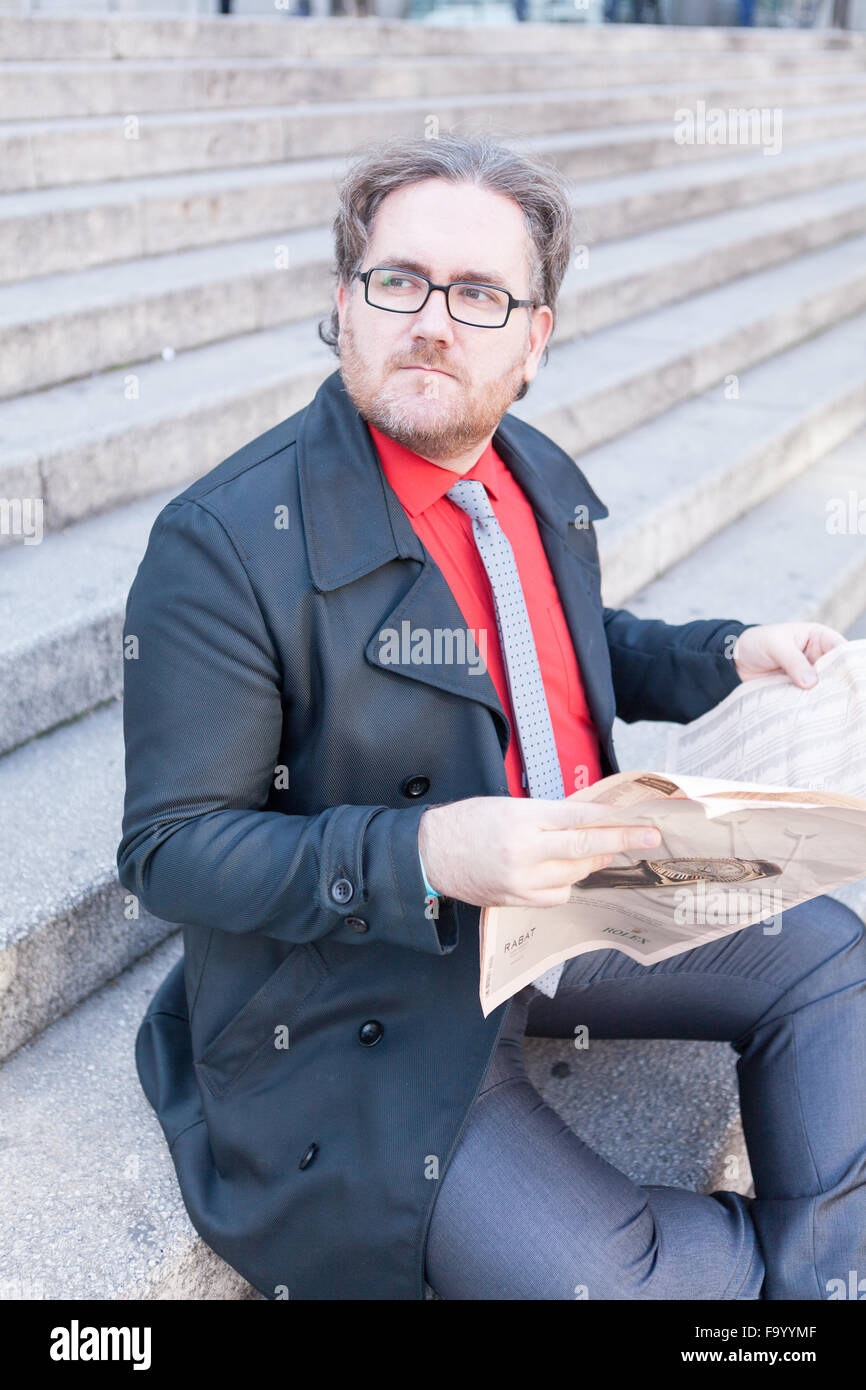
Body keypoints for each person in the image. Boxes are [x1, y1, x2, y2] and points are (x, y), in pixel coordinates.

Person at [118, 131, 866, 1300]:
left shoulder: (522, 471)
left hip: (569, 891)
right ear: (344, 303)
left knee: (829, 960)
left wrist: (725, 655)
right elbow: (171, 850)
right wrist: (424, 851)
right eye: (399, 280)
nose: (432, 320)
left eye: (477, 294)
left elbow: (573, 641)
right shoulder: (220, 544)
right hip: (362, 994)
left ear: (532, 337)